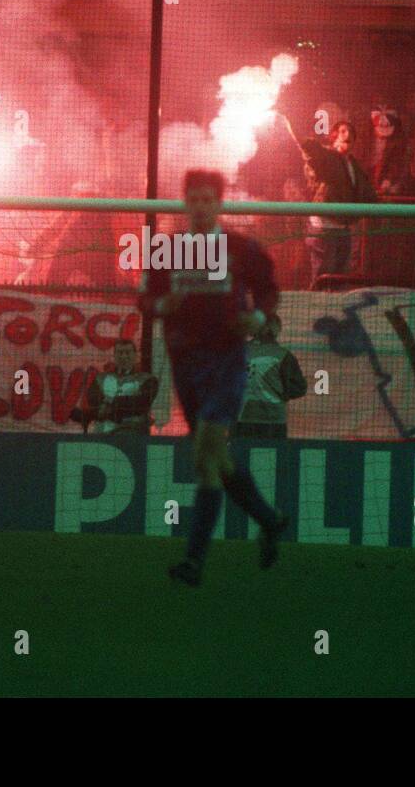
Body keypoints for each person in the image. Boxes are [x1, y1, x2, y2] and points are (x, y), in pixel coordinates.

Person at [140, 169, 288, 586]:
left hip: (226, 361)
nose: (202, 207)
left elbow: (269, 291)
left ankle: (194, 561)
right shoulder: (166, 250)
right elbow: (145, 299)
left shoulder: (240, 249)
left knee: (206, 451)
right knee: (215, 461)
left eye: (209, 199)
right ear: (185, 203)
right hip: (185, 364)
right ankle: (269, 519)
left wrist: (257, 316)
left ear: (219, 204)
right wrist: (161, 304)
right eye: (196, 199)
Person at [282, 115, 377, 288]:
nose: (346, 134)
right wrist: (289, 117)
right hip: (324, 228)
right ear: (333, 137)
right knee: (322, 278)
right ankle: (316, 313)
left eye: (350, 132)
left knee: (340, 279)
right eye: (342, 131)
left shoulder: (354, 165)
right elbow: (306, 144)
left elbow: (366, 193)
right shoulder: (326, 157)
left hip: (343, 228)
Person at [236, 313, 307, 439]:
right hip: (273, 419)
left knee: (242, 456)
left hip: (242, 417)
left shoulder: (239, 351)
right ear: (274, 329)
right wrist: (280, 392)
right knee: (271, 456)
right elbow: (299, 388)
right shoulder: (282, 355)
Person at [71, 337, 159, 434]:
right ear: (114, 355)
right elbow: (93, 399)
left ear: (135, 355)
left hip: (134, 433)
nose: (124, 356)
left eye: (127, 353)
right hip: (101, 433)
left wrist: (110, 405)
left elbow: (141, 403)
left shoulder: (148, 380)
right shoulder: (101, 378)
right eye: (120, 353)